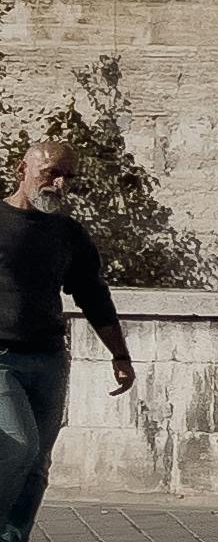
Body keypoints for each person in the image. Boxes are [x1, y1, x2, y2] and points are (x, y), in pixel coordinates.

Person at [0, 138, 132, 542]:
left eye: (67, 177)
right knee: (19, 444)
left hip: (49, 359)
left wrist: (120, 355)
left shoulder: (68, 233)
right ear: (22, 170)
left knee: (38, 462)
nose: (58, 184)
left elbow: (93, 296)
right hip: (1, 359)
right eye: (50, 173)